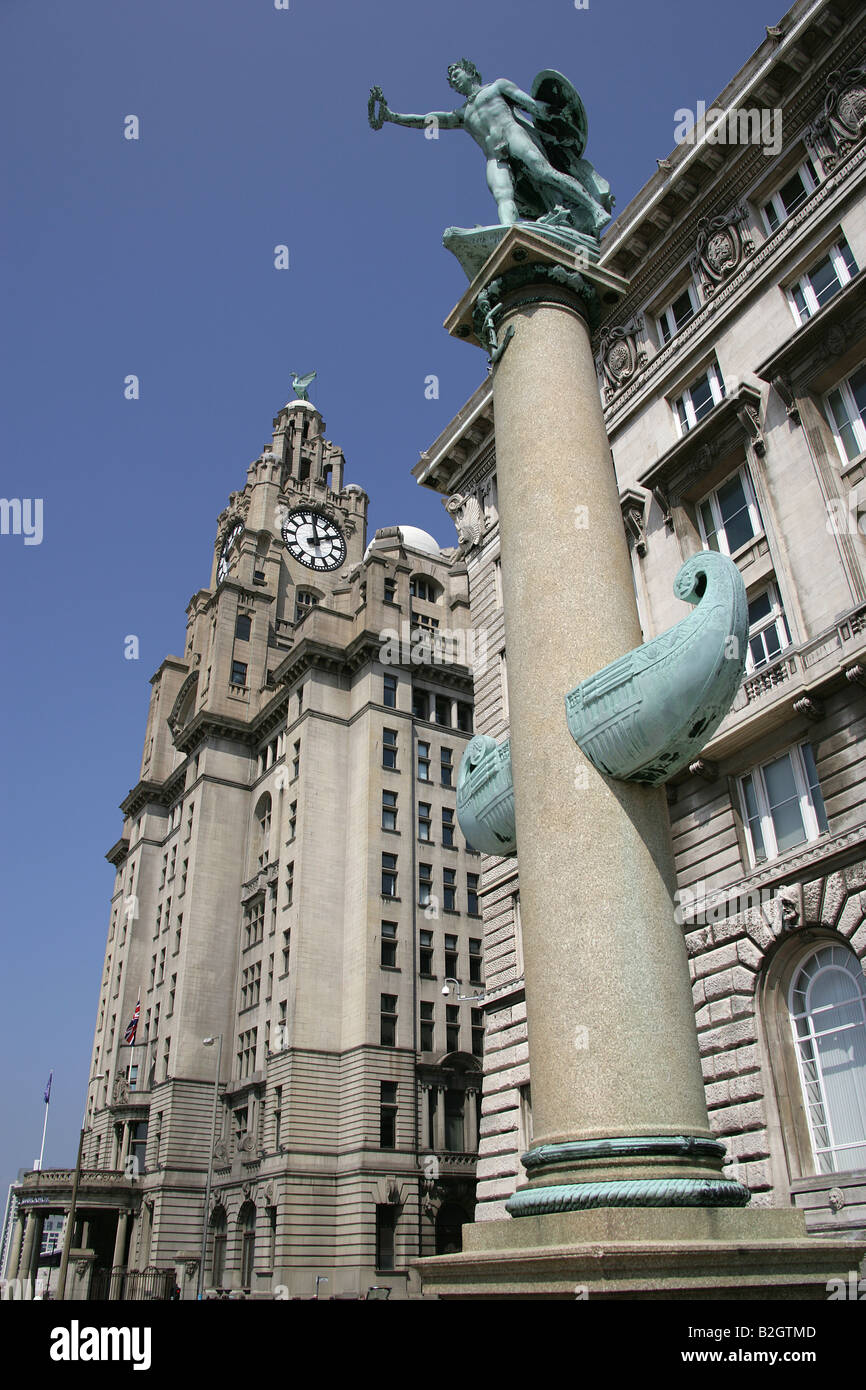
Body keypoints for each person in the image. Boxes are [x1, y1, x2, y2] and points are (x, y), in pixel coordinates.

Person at [371, 60, 610, 236]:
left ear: (471, 72)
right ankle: (510, 235)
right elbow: (428, 119)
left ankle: (594, 208)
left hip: (512, 133)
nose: (454, 80)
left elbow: (531, 105)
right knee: (502, 195)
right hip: (494, 154)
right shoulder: (462, 114)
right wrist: (392, 116)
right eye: (452, 79)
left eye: (457, 73)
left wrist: (553, 118)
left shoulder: (497, 87)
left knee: (544, 173)